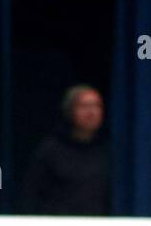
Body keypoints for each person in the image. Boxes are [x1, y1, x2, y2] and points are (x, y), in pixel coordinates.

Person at [17, 84, 112, 215]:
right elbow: (30, 195)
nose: (92, 112)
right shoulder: (50, 151)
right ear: (69, 111)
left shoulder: (109, 151)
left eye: (97, 106)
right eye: (84, 106)